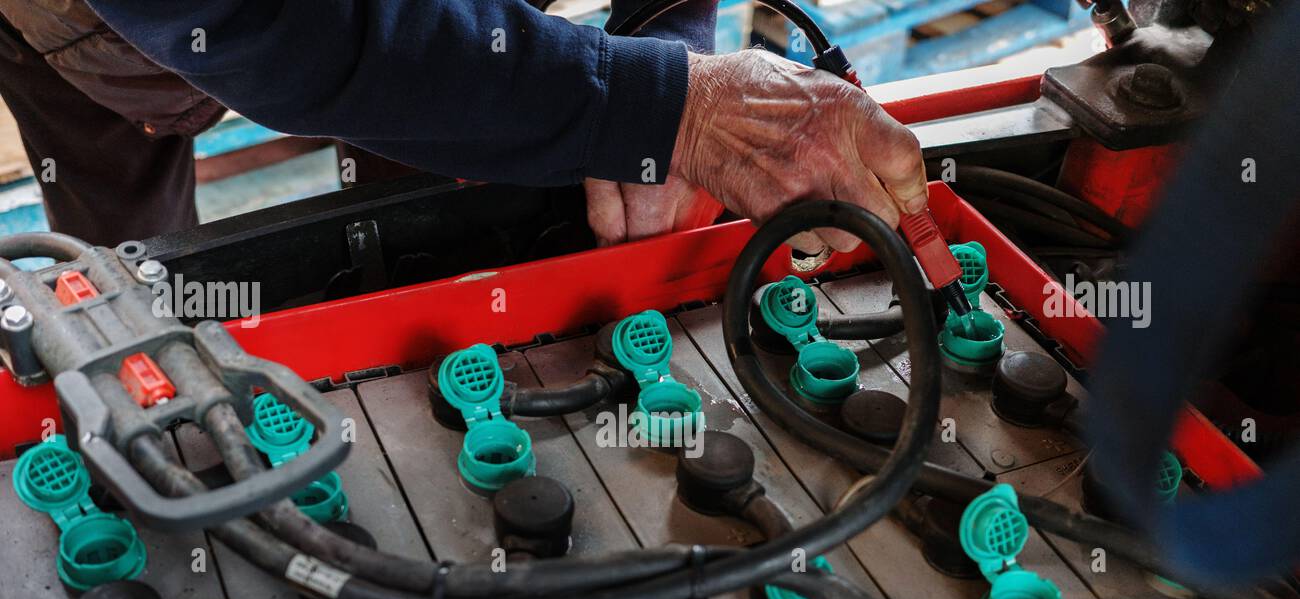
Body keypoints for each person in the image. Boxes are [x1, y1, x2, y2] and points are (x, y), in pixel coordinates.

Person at [0, 1, 926, 256]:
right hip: (95, 28)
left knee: (423, 128)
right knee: (127, 231)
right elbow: (269, 19)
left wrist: (667, 39)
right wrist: (667, 109)